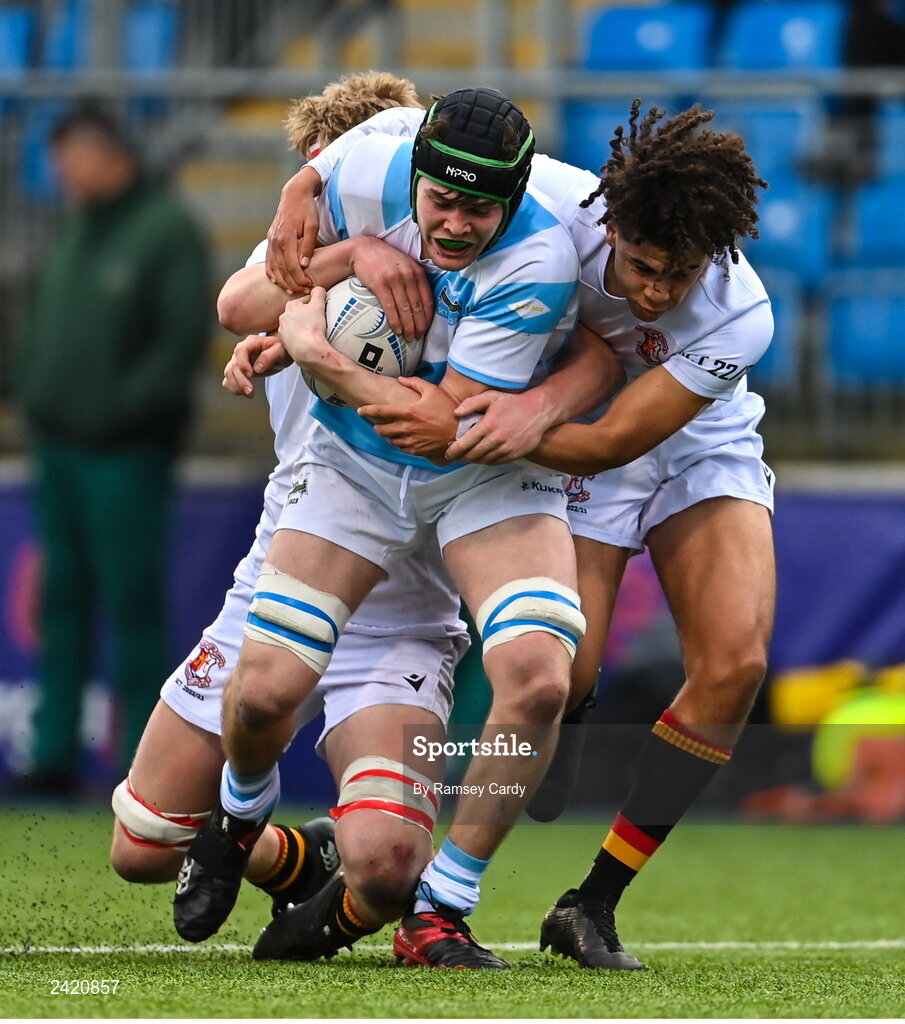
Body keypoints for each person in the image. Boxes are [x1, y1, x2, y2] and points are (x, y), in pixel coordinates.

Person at [268, 98, 776, 970]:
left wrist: (496, 422)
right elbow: (406, 126)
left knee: (734, 666)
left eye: (678, 275)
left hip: (668, 438)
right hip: (551, 435)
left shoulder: (739, 313)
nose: (656, 291)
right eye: (643, 266)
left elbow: (618, 438)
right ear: (608, 224)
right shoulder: (556, 195)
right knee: (548, 674)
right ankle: (379, 858)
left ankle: (588, 902)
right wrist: (301, 185)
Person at [174, 87, 606, 971]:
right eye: (440, 200)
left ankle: (441, 909)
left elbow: (437, 427)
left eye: (479, 207)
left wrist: (317, 351)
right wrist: (344, 249)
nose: (454, 225)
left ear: (516, 199)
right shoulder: (364, 161)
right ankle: (238, 813)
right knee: (257, 700)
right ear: (408, 174)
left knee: (537, 675)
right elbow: (254, 288)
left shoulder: (541, 257)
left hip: (480, 468)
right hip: (351, 471)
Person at [108, 73, 473, 958]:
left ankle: (350, 870)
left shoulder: (474, 260)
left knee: (386, 866)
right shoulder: (300, 263)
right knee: (143, 846)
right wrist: (347, 261)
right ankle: (286, 856)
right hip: (284, 572)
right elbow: (237, 305)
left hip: (399, 608)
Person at [12, 101, 212, 793]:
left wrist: (119, 411)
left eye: (69, 159)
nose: (62, 174)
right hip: (59, 448)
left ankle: (142, 760)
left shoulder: (163, 230)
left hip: (126, 452)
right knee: (60, 602)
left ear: (107, 153)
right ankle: (53, 752)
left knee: (132, 603)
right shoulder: (77, 229)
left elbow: (182, 337)